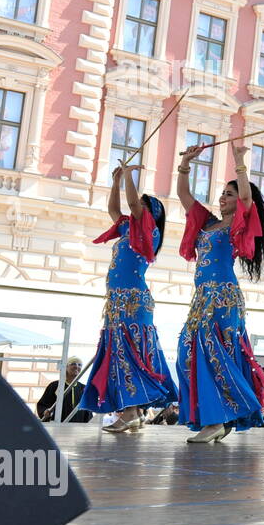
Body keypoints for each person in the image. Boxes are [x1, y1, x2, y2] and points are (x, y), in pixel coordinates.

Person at [174, 142, 264, 443]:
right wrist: (186, 164)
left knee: (214, 354)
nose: (223, 197)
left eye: (228, 194)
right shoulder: (207, 223)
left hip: (223, 297)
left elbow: (246, 197)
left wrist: (240, 161)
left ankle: (217, 420)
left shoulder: (237, 224)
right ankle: (219, 415)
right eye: (222, 193)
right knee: (186, 352)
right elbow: (183, 195)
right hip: (202, 299)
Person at [82, 164, 179, 432]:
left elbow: (133, 202)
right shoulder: (128, 229)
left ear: (151, 214)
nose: (136, 208)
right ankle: (132, 412)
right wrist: (115, 182)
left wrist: (128, 177)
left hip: (132, 301)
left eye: (143, 206)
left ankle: (130, 412)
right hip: (118, 301)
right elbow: (114, 210)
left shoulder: (149, 231)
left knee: (128, 353)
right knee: (122, 354)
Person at [36, 358, 87, 422]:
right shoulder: (55, 385)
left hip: (78, 427)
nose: (77, 366)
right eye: (73, 364)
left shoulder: (84, 388)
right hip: (57, 426)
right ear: (66, 367)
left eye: (80, 365)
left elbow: (87, 410)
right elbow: (43, 404)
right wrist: (45, 411)